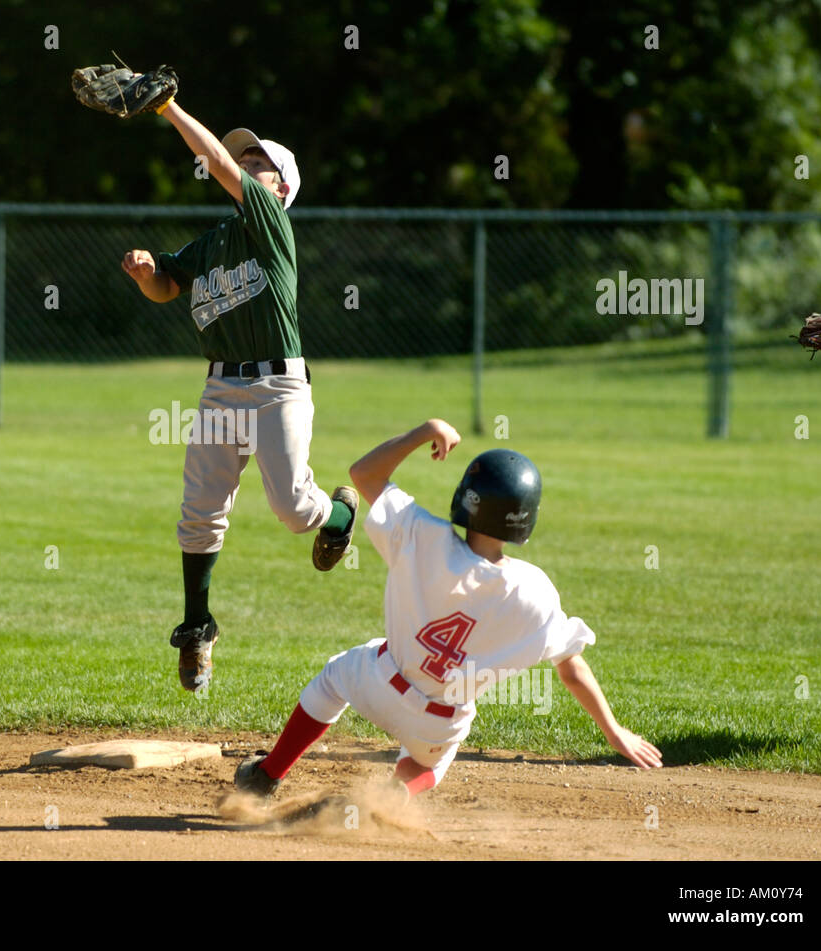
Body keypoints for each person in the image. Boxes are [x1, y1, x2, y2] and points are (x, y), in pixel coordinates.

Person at [234, 419, 663, 800]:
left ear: (466, 498)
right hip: (439, 723)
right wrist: (615, 732)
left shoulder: (423, 535)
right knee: (428, 765)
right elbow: (572, 669)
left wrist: (425, 431)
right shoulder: (536, 592)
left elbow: (363, 473)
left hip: (380, 681)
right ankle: (391, 798)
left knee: (332, 681)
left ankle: (267, 775)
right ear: (526, 519)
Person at [122, 99, 356, 694]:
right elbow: (167, 287)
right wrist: (147, 272)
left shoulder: (273, 225)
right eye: (244, 157)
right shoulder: (214, 241)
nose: (246, 164)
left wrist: (168, 108)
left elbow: (216, 160)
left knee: (294, 510)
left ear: (280, 189)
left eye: (260, 162)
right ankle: (197, 628)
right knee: (198, 516)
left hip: (279, 386)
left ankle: (342, 513)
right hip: (221, 386)